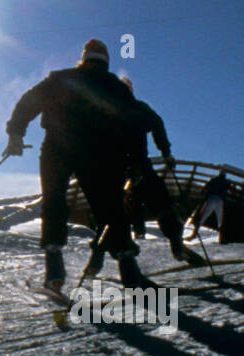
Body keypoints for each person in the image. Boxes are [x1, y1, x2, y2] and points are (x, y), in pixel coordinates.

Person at [3, 38, 158, 292]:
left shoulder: (60, 78)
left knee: (54, 200)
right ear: (106, 62)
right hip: (98, 153)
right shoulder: (116, 88)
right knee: (110, 208)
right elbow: (134, 126)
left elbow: (29, 101)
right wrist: (138, 162)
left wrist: (16, 134)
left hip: (57, 148)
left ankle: (54, 267)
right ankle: (129, 269)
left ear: (83, 58)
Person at [84, 76, 203, 274]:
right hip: (138, 164)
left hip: (117, 168)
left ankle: (96, 259)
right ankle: (176, 244)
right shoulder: (138, 108)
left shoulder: (105, 109)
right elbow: (158, 125)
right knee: (161, 203)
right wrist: (166, 152)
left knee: (111, 210)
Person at [191, 169, 232, 240]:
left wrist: (202, 195)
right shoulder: (226, 182)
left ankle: (193, 234)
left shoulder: (213, 180)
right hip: (220, 201)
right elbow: (233, 192)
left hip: (211, 199)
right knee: (220, 220)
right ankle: (221, 238)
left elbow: (204, 188)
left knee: (202, 217)